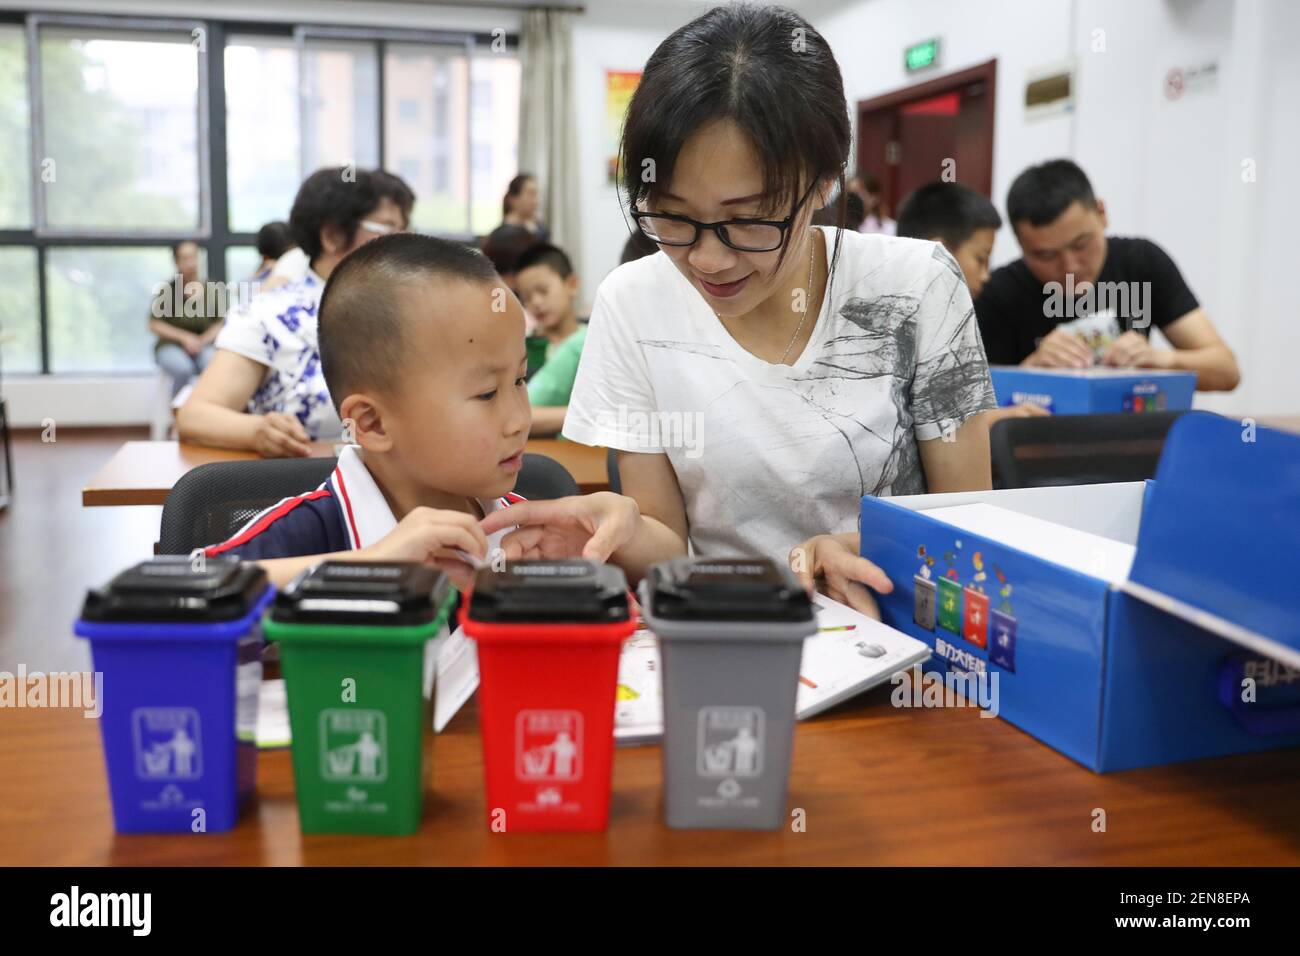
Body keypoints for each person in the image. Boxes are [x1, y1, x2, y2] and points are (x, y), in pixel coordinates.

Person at [479, 4, 996, 619]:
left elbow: (973, 533)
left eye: (748, 220)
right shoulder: (634, 302)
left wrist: (864, 548)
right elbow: (668, 547)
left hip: (896, 638)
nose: (707, 259)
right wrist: (614, 526)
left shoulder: (917, 285)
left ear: (826, 181)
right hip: (724, 630)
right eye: (671, 217)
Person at [201, 233, 533, 591]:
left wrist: (602, 552)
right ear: (372, 423)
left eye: (520, 380)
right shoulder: (314, 530)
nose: (519, 421)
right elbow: (175, 597)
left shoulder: (525, 527)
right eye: (486, 394)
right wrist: (372, 562)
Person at [177, 167, 414, 457]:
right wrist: (257, 431)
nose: (405, 242)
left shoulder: (415, 311)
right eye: (388, 229)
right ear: (333, 236)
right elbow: (196, 415)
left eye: (407, 228)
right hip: (310, 487)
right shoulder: (269, 314)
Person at [974, 159, 1240, 391]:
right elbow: (972, 411)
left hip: (1131, 437)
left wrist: (1159, 360)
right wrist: (1030, 369)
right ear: (1021, 246)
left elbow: (1226, 371)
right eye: (1046, 256)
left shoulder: (1141, 263)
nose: (1070, 267)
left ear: (1102, 213)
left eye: (1081, 244)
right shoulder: (998, 293)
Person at [897, 182, 1047, 422]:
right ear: (941, 252)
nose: (987, 275)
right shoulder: (900, 328)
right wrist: (995, 421)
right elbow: (920, 423)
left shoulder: (953, 320)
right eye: (981, 259)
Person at [516, 243, 586, 437]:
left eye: (543, 291)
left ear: (572, 284)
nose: (536, 302)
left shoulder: (586, 341)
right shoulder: (525, 347)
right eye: (526, 297)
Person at [149, 241, 224, 398]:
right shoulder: (168, 290)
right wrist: (185, 338)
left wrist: (201, 341)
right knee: (183, 369)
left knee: (212, 366)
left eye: (194, 257)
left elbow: (221, 322)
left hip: (203, 345)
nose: (191, 263)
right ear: (176, 262)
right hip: (172, 346)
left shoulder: (213, 289)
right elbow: (154, 324)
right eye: (185, 258)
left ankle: (206, 411)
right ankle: (178, 414)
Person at [501, 173, 549, 241]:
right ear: (513, 199)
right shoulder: (502, 235)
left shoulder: (541, 230)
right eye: (530, 194)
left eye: (536, 195)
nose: (536, 201)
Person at [848, 171, 896, 235]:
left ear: (874, 197)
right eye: (850, 193)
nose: (852, 199)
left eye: (858, 193)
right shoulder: (840, 226)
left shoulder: (890, 228)